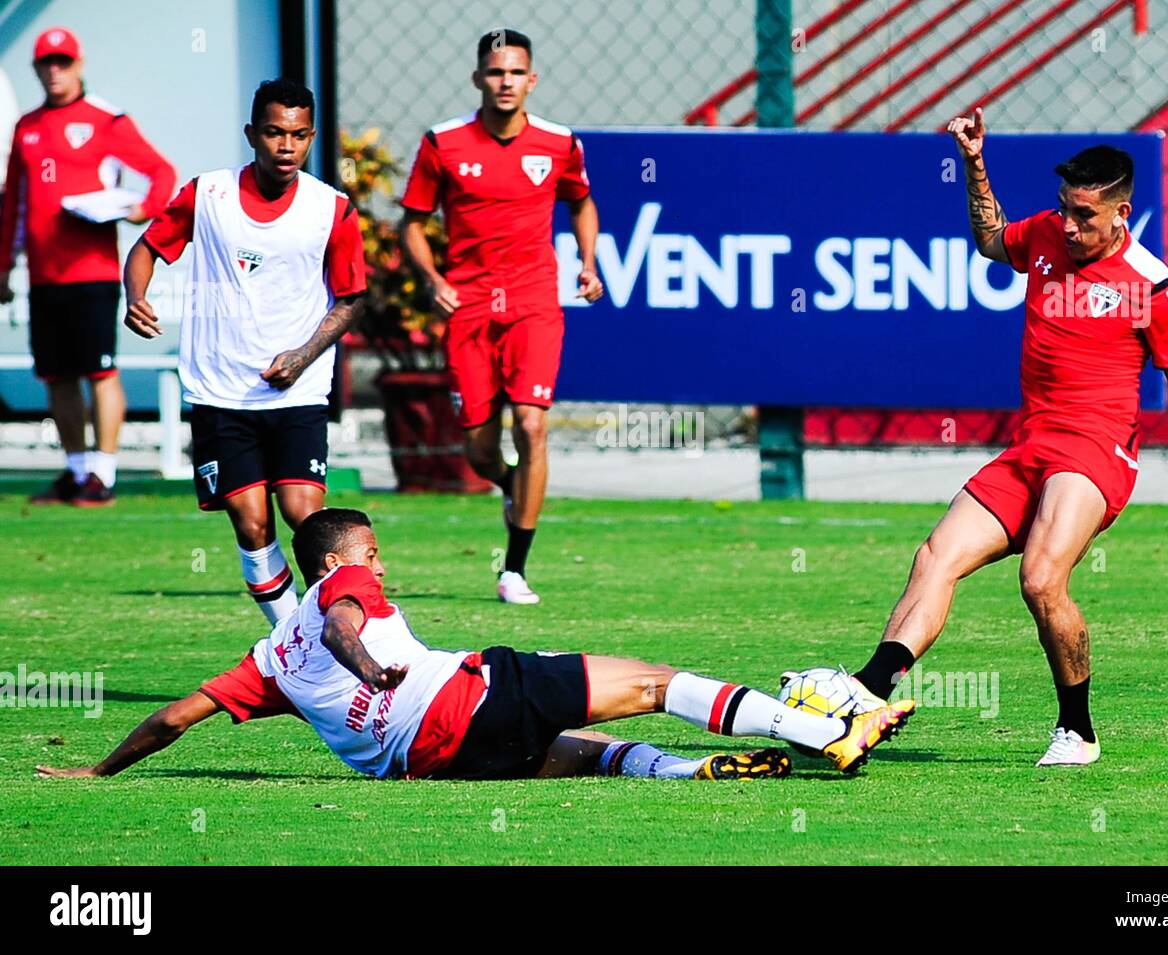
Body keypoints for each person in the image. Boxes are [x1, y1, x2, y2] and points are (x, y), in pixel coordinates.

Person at [843, 108, 1168, 767]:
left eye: (1085, 215)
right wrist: (974, 163)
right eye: (1065, 210)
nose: (1069, 225)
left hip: (1097, 453)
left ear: (1122, 212)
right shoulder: (1048, 236)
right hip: (1033, 447)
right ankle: (870, 693)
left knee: (1040, 577)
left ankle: (1077, 729)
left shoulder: (1151, 286)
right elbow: (993, 241)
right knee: (936, 554)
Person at [36, 507, 916, 782]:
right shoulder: (345, 587)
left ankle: (690, 774)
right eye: (374, 549)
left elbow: (175, 716)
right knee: (652, 681)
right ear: (340, 558)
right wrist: (370, 662)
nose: (382, 560)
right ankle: (819, 731)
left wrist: (95, 771)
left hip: (431, 761)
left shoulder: (267, 660)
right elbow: (345, 626)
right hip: (460, 695)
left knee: (585, 752)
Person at [122, 79, 365, 625]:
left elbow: (352, 301)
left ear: (312, 138)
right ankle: (289, 639)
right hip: (220, 390)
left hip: (297, 390)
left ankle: (335, 633)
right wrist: (135, 296)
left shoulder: (332, 209)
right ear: (252, 133)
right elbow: (147, 247)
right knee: (251, 522)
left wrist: (302, 355)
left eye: (299, 135)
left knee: (307, 517)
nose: (286, 146)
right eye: (275, 133)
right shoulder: (207, 195)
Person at [400, 28, 604, 605]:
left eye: (516, 72)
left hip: (535, 303)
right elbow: (411, 221)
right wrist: (433, 278)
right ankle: (511, 485)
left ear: (531, 79)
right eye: (495, 72)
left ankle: (514, 568)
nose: (505, 82)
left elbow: (582, 199)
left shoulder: (559, 143)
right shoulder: (443, 143)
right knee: (480, 450)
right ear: (478, 79)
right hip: (468, 307)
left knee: (533, 425)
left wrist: (588, 263)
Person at [0, 26, 176, 505]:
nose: (54, 71)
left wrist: (140, 209)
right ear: (36, 69)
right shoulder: (26, 127)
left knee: (100, 370)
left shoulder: (105, 120)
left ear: (78, 65)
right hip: (43, 274)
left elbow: (161, 172)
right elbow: (14, 201)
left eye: (63, 61)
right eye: (46, 63)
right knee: (56, 375)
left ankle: (105, 471)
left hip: (92, 271)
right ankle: (76, 470)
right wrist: (3, 266)